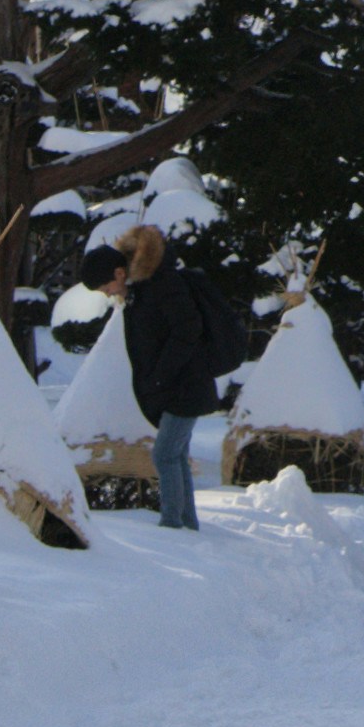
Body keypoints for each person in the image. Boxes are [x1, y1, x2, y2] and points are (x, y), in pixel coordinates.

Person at [89, 224, 259, 535]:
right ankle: (186, 524)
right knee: (175, 453)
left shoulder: (161, 283)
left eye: (105, 287)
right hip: (176, 386)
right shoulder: (141, 290)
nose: (108, 294)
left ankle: (172, 525)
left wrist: (160, 376)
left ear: (118, 273)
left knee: (165, 454)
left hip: (186, 386)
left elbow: (187, 329)